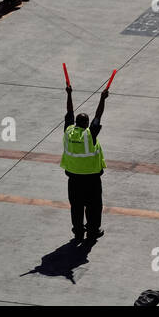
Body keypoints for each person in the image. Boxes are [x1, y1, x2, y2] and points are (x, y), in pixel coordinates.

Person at [62, 85, 108, 244]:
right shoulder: (90, 134)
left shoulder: (68, 131)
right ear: (87, 123)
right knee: (94, 206)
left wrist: (69, 94)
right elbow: (98, 115)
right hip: (91, 179)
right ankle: (92, 231)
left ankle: (78, 232)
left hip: (73, 179)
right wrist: (102, 98)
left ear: (76, 123)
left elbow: (69, 112)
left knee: (76, 206)